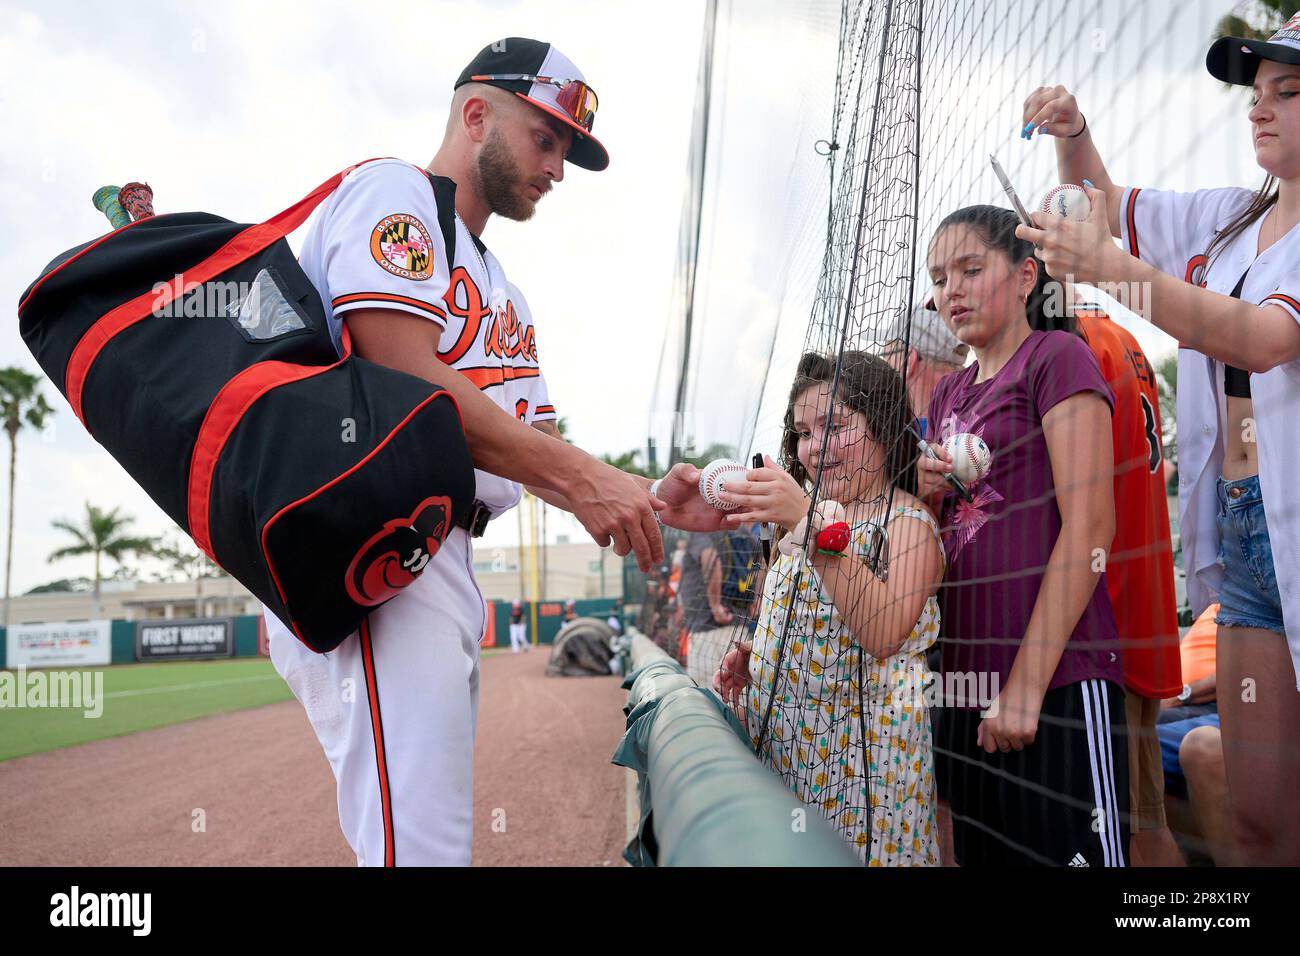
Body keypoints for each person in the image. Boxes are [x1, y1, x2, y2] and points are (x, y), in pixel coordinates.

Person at [263, 37, 722, 867]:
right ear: (476, 113)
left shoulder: (500, 282)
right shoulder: (392, 193)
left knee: (424, 838)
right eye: (544, 138)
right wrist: (584, 481)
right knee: (421, 849)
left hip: (443, 551)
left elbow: (536, 444)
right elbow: (398, 369)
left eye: (566, 151)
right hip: (376, 541)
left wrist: (643, 493)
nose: (556, 168)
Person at [1019, 18, 1300, 862]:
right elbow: (1103, 211)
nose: (1261, 109)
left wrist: (1108, 268)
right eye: (1255, 95)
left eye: (1288, 91)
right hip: (1249, 530)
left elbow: (1264, 340)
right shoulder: (1229, 217)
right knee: (1258, 814)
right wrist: (1075, 136)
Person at [920, 205, 1129, 867]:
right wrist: (921, 497)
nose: (950, 289)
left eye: (970, 269)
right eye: (939, 277)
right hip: (964, 690)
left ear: (1023, 276)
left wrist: (1026, 685)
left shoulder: (1056, 357)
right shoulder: (946, 394)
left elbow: (1093, 528)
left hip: (1055, 684)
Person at [713, 351, 945, 865]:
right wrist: (761, 653)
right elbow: (811, 618)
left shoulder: (908, 524)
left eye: (834, 426)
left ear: (883, 426)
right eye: (804, 432)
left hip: (867, 776)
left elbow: (882, 631)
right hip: (786, 750)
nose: (815, 447)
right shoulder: (799, 518)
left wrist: (810, 523)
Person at [1067, 294, 1184, 866]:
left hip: (1108, 607)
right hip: (1144, 602)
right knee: (1144, 816)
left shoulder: (1082, 341)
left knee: (1126, 826)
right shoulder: (1124, 338)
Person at [679, 529, 760, 689]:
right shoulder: (746, 535)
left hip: (708, 628)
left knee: (706, 701)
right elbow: (761, 565)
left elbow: (711, 559)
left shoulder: (704, 531)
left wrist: (715, 606)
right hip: (739, 632)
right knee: (735, 699)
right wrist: (756, 599)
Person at [880, 304, 970, 419]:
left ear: (908, 360)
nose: (881, 365)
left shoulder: (905, 434)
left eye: (885, 356)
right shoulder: (976, 421)